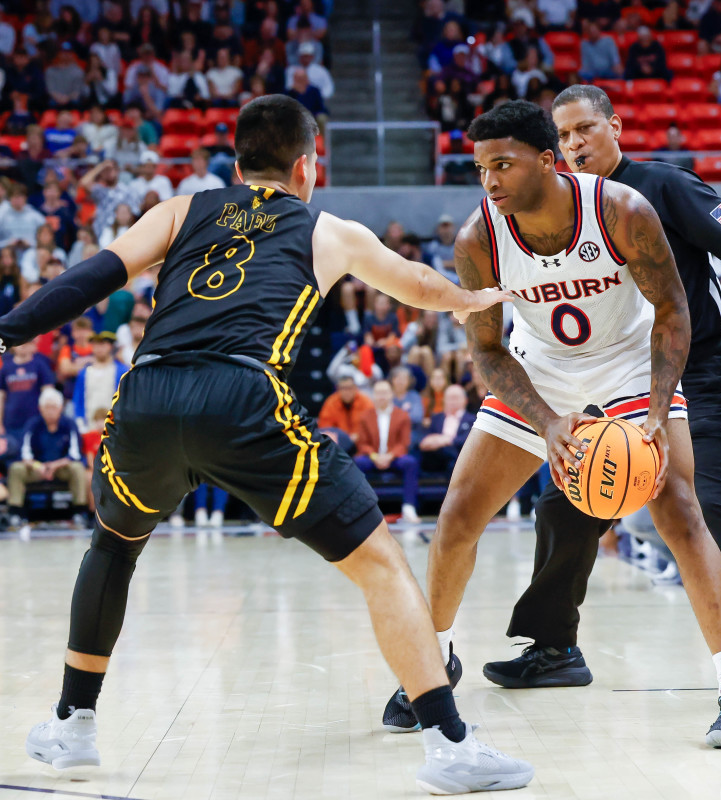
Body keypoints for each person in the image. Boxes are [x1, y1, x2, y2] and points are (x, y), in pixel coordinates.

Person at [11, 95, 530, 794]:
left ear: (236, 165)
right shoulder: (327, 230)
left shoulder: (181, 209)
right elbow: (417, 286)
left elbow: (91, 278)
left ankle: (73, 726)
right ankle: (449, 745)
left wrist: (8, 331)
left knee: (112, 546)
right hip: (241, 395)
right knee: (382, 565)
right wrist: (473, 300)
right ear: (307, 167)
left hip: (148, 395)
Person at [382, 99, 721, 748]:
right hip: (540, 370)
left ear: (547, 160)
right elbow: (487, 349)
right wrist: (546, 421)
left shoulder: (621, 209)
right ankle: (435, 662)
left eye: (503, 165)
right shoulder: (479, 239)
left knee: (679, 508)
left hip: (627, 363)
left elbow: (674, 312)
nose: (490, 181)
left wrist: (655, 411)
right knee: (456, 517)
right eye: (481, 169)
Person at [479, 86, 721, 711]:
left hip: (699, 370)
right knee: (564, 502)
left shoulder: (663, 187)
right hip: (618, 378)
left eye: (586, 129)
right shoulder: (560, 209)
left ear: (615, 127)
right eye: (564, 135)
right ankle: (554, 650)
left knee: (718, 504)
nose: (575, 144)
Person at [8, 386, 89, 527]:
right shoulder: (33, 424)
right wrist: (39, 466)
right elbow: (25, 453)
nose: (50, 411)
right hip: (37, 468)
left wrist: (54, 466)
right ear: (40, 409)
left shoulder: (69, 424)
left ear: (60, 408)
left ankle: (79, 512)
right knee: (16, 468)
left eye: (54, 407)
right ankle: (15, 513)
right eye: (47, 407)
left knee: (77, 468)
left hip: (61, 468)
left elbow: (74, 454)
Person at [355, 378, 420, 524]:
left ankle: (409, 507)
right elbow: (362, 443)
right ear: (373, 395)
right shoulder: (365, 416)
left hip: (394, 458)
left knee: (410, 462)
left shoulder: (402, 415)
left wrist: (389, 456)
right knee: (358, 462)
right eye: (378, 393)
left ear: (391, 394)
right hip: (373, 457)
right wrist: (375, 456)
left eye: (385, 392)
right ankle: (362, 508)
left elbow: (404, 443)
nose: (382, 396)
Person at [72, 331, 128, 433]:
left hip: (114, 426)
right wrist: (80, 422)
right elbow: (78, 399)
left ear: (111, 346)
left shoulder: (121, 371)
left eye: (103, 345)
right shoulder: (84, 373)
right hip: (90, 426)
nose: (99, 349)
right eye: (96, 345)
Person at [416, 382, 473, 474]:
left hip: (459, 456)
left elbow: (468, 440)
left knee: (452, 456)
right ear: (444, 400)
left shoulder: (472, 420)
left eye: (455, 398)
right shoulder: (436, 418)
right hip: (434, 456)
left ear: (465, 400)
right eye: (450, 398)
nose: (452, 401)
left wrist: (447, 440)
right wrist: (435, 441)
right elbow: (424, 438)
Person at [318, 373, 374, 448]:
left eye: (349, 388)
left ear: (355, 388)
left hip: (361, 444)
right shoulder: (331, 403)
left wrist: (358, 435)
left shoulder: (365, 402)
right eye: (343, 388)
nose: (346, 391)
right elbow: (326, 429)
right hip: (338, 445)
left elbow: (371, 427)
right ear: (338, 389)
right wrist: (343, 438)